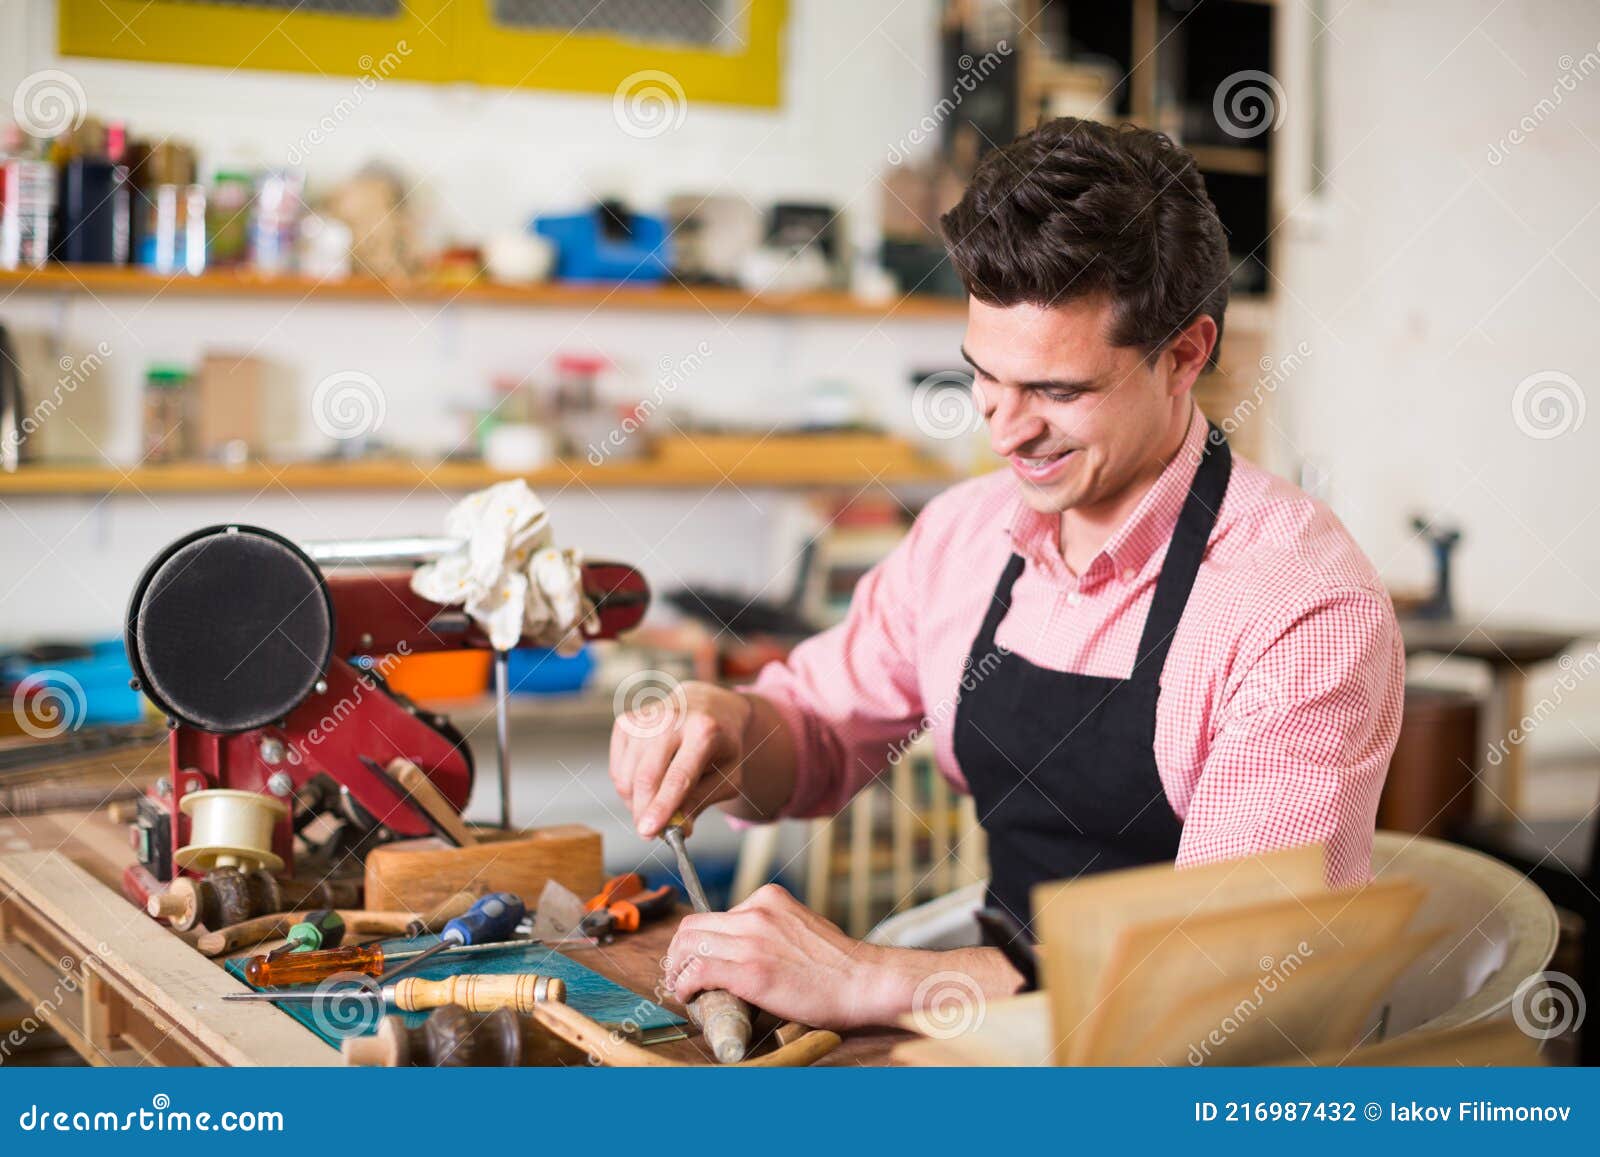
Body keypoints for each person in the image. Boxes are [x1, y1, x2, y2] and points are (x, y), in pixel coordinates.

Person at [609, 117, 1405, 1031]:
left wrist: (883, 977)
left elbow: (1221, 972)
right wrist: (729, 729)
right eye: (985, 376)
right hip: (1003, 1027)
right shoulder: (966, 535)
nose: (1004, 430)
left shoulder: (1297, 604)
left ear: (1185, 354)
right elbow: (820, 735)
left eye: (1058, 392)